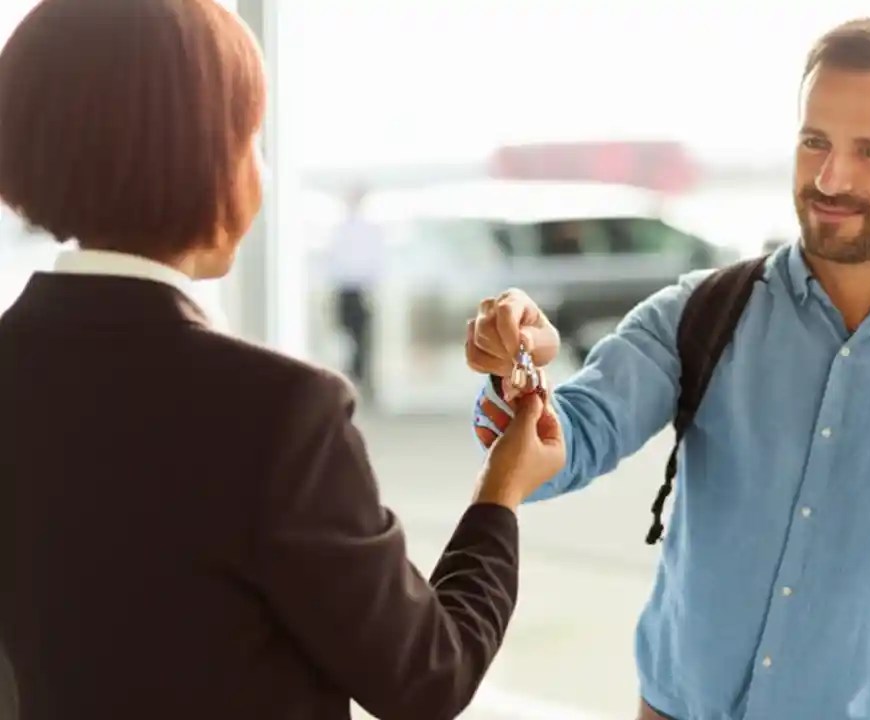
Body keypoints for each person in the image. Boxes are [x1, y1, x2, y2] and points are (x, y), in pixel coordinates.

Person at [468, 17, 870, 720]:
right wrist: (517, 373)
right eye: (815, 141)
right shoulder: (700, 314)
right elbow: (562, 446)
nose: (830, 177)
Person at [0, 2, 564, 719]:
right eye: (251, 138)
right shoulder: (278, 412)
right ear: (206, 160)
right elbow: (428, 678)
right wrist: (502, 492)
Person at [326, 186, 385, 393]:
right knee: (347, 337)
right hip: (346, 289)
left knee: (361, 339)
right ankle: (349, 377)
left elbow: (374, 263)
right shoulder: (343, 229)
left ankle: (359, 379)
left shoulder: (367, 229)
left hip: (360, 290)